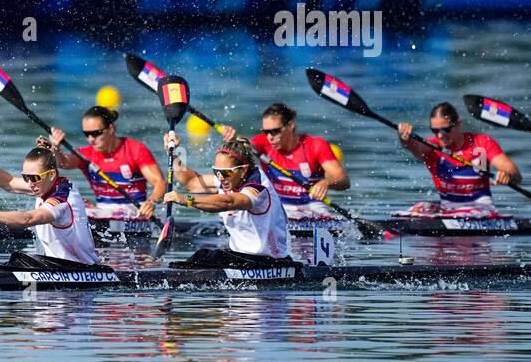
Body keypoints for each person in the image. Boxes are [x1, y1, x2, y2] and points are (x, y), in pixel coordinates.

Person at [0, 141, 101, 270]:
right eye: (26, 177)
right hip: (57, 267)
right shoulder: (44, 184)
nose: (29, 183)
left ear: (51, 174)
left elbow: (27, 220)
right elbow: (8, 183)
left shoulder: (61, 199)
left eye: (33, 177)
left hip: (79, 268)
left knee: (19, 259)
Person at [160, 134, 293, 268]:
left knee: (202, 258)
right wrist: (174, 154)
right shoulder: (230, 178)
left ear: (244, 170)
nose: (221, 178)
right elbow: (191, 182)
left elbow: (228, 202)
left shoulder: (258, 187)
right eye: (217, 171)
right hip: (241, 258)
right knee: (200, 257)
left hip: (269, 262)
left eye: (225, 173)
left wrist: (186, 200)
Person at [219, 103, 349, 219]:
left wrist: (326, 182)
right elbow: (245, 146)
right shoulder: (262, 143)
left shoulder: (315, 146)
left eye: (275, 131)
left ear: (291, 125)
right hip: (279, 206)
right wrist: (234, 139)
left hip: (312, 206)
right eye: (266, 132)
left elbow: (343, 180)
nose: (270, 137)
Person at [396, 102, 522, 216]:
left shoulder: (481, 143)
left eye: (446, 129)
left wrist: (506, 175)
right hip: (448, 211)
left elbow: (513, 173)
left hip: (481, 211)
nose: (440, 135)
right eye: (434, 130)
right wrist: (405, 140)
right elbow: (415, 148)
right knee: (420, 207)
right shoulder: (432, 147)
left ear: (458, 124)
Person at [46, 105, 165, 219]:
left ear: (111, 129)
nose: (91, 139)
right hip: (102, 212)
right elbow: (62, 163)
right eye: (87, 134)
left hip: (135, 212)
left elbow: (159, 183)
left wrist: (151, 202)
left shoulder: (135, 149)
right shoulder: (85, 155)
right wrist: (55, 147)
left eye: (96, 133)